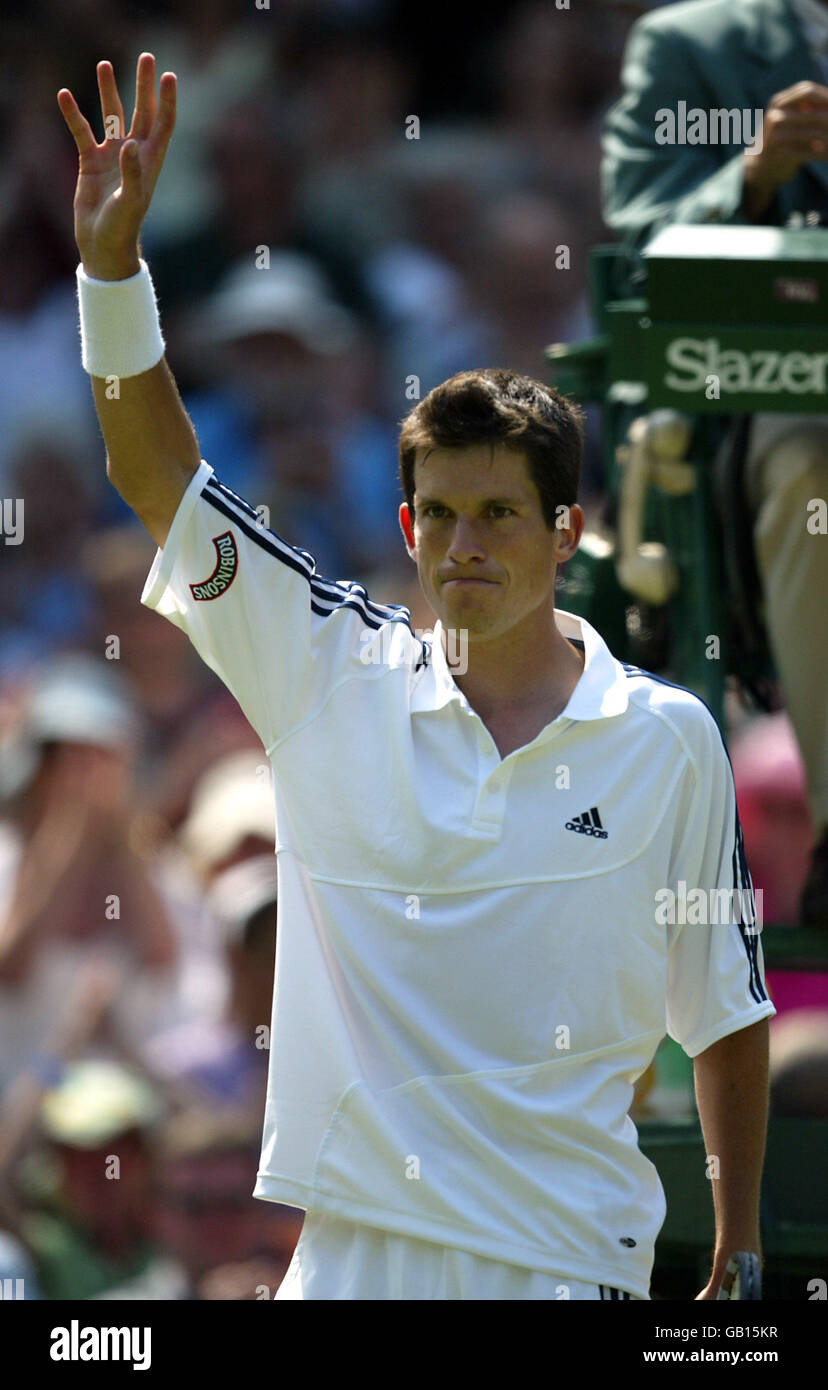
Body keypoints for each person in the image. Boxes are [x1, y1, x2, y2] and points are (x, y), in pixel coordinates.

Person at [57, 52, 777, 1301]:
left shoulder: (668, 737)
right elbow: (154, 476)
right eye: (438, 516)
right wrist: (112, 271)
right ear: (405, 529)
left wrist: (743, 1248)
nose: (465, 546)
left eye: (499, 514)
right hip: (347, 1268)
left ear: (568, 532)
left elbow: (723, 1008)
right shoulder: (322, 662)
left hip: (568, 1268)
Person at [601, 0, 828, 926]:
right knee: (812, 465)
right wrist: (756, 172)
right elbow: (640, 249)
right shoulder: (697, 44)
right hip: (771, 404)